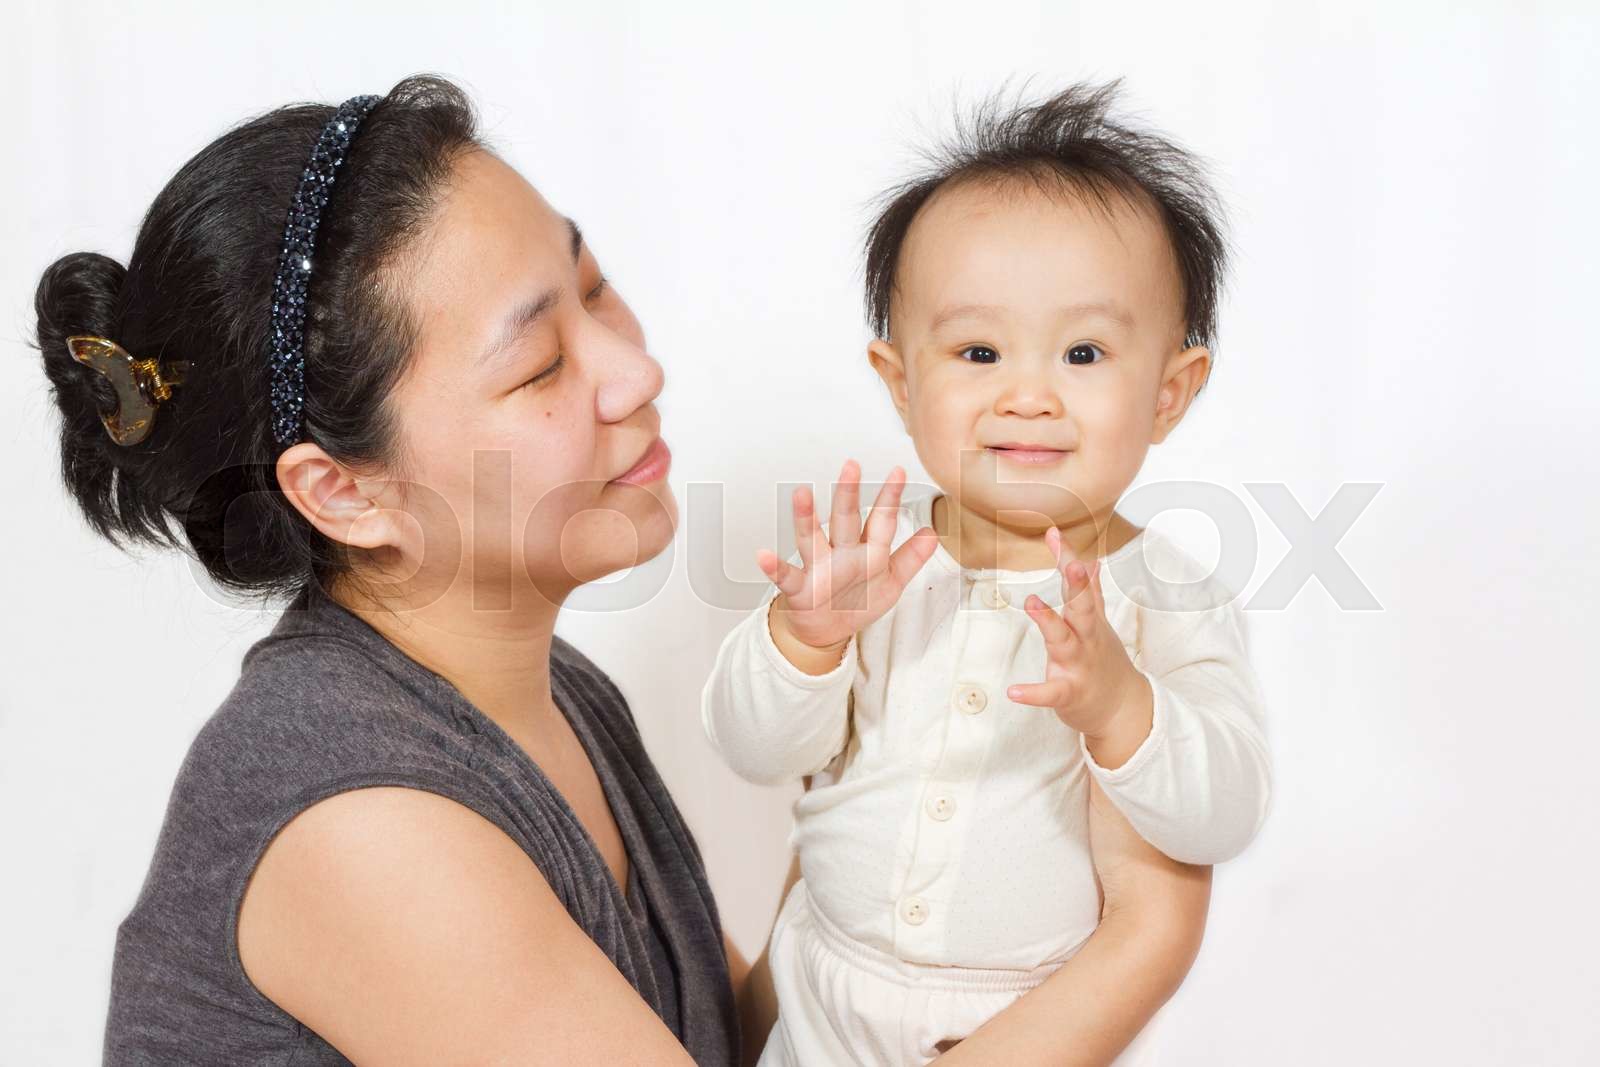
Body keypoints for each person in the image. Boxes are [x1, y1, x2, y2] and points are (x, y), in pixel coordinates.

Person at [34, 75, 749, 1064]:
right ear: (341, 492)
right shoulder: (364, 820)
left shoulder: (560, 696)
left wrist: (877, 743)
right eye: (541, 362)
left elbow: (756, 1038)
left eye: (594, 289)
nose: (636, 373)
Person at [702, 81, 1273, 1065]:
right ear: (899, 381)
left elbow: (1221, 807)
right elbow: (755, 750)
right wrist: (804, 638)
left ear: (1170, 393)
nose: (1026, 394)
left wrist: (1118, 705)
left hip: (1017, 1023)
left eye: (1083, 351)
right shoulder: (872, 566)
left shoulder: (1164, 598)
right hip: (819, 992)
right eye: (977, 349)